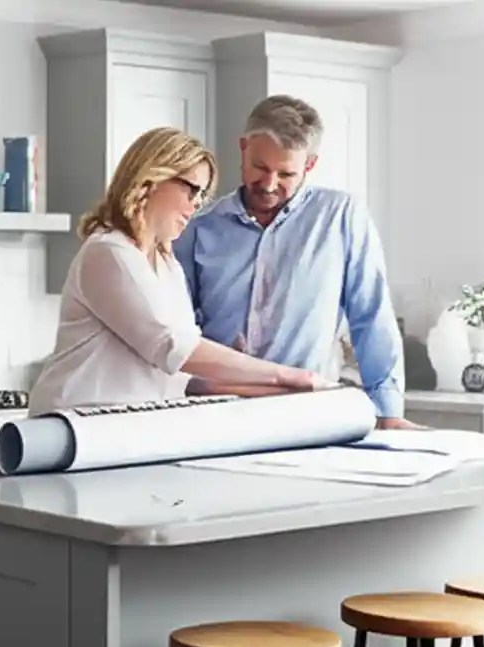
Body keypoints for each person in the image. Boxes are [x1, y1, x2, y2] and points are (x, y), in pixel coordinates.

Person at [27, 126, 329, 416]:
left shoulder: (166, 264)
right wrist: (286, 375)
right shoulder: (108, 253)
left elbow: (182, 377)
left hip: (120, 429)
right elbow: (174, 347)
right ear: (152, 179)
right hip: (69, 427)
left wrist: (281, 389)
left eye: (202, 197)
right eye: (192, 191)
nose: (195, 206)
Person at [174, 95, 417, 430]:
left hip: (307, 414)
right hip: (214, 412)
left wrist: (387, 412)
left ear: (309, 165)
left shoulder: (340, 218)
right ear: (243, 148)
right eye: (260, 167)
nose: (269, 184)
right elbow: (176, 329)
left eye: (286, 173)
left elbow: (371, 317)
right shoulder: (199, 226)